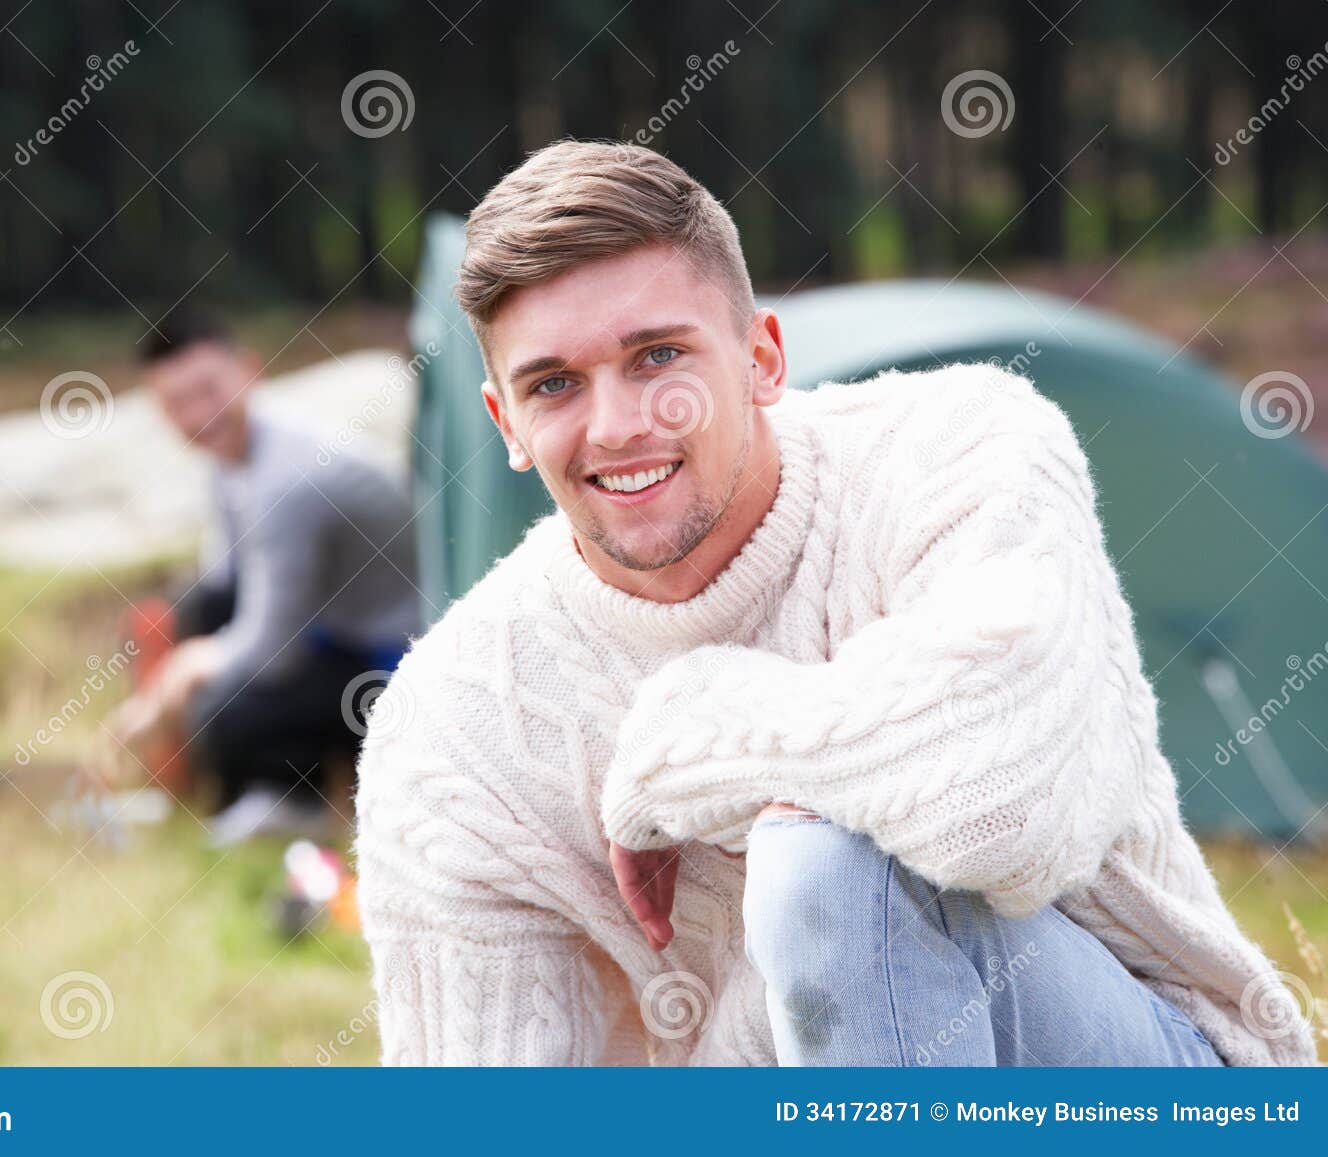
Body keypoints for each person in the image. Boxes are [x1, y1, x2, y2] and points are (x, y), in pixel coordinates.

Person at [351, 141, 1315, 1066]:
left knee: (830, 860)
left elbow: (998, 812)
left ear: (764, 356)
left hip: (1152, 1083)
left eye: (657, 358)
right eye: (554, 383)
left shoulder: (963, 447)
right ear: (505, 423)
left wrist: (681, 743)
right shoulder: (455, 723)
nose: (616, 425)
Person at [115, 310, 421, 846]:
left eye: (208, 390)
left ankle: (290, 798)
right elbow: (225, 580)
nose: (198, 414)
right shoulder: (231, 459)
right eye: (176, 403)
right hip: (327, 625)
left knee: (222, 710)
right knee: (194, 611)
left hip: (391, 656)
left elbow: (270, 650)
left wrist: (177, 681)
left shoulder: (287, 479)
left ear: (249, 372)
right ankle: (223, 783)